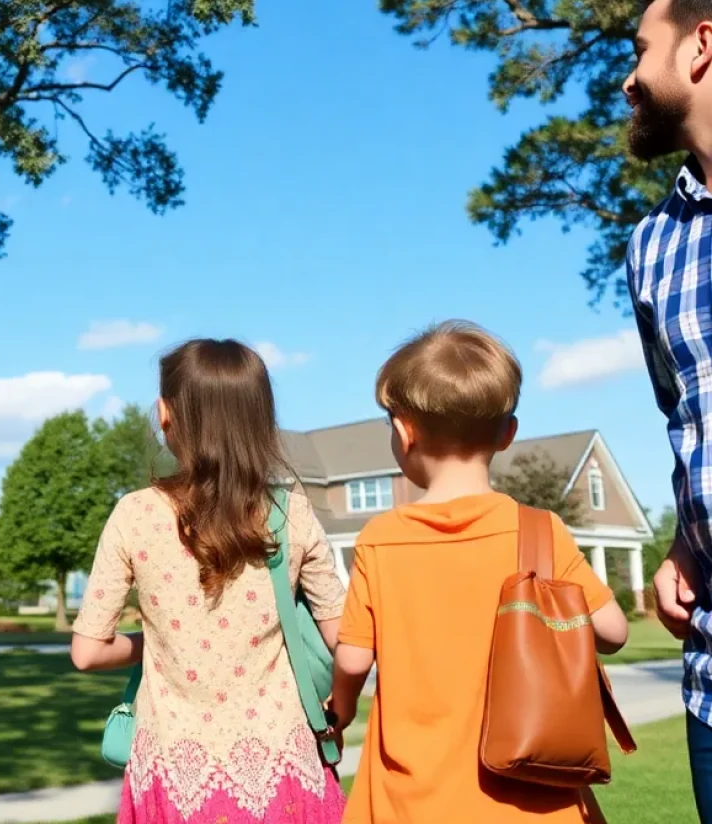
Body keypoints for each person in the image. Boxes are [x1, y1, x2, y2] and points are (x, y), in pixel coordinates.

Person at [330, 321, 628, 824]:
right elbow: (614, 632)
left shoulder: (382, 539)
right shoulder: (539, 531)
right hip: (534, 798)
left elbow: (356, 659)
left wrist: (338, 711)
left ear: (404, 433)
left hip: (413, 803)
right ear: (507, 434)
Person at [70, 338, 347, 824]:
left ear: (165, 414)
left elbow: (88, 651)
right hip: (283, 768)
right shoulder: (291, 514)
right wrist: (338, 709)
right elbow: (346, 641)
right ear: (260, 418)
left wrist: (155, 641)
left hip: (176, 776)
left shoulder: (135, 515)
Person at [625, 0, 712, 822]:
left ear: (701, 47)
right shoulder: (652, 248)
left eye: (641, 49)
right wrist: (688, 543)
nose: (629, 76)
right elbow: (684, 419)